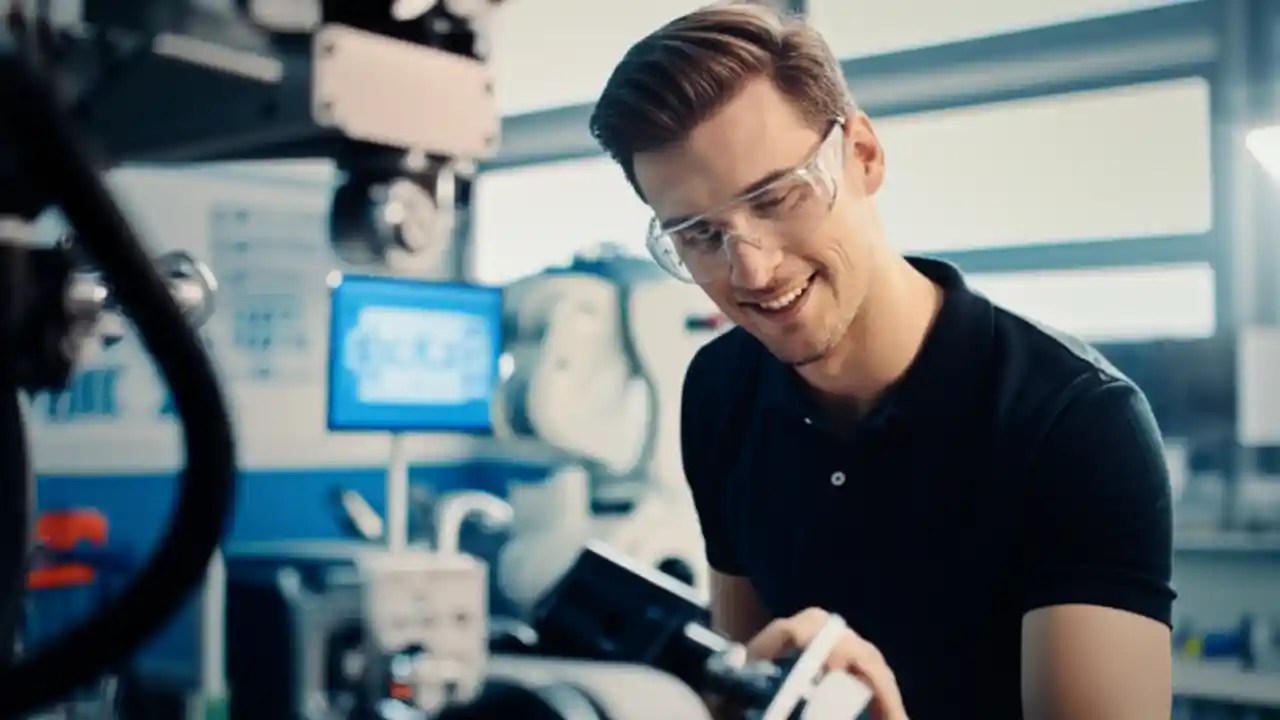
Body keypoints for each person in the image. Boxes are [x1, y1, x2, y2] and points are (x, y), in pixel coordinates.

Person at [587, 3, 1176, 719]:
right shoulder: (720, 388)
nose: (751, 271)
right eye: (700, 234)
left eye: (776, 197)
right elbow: (739, 693)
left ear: (863, 156)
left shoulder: (1076, 423)